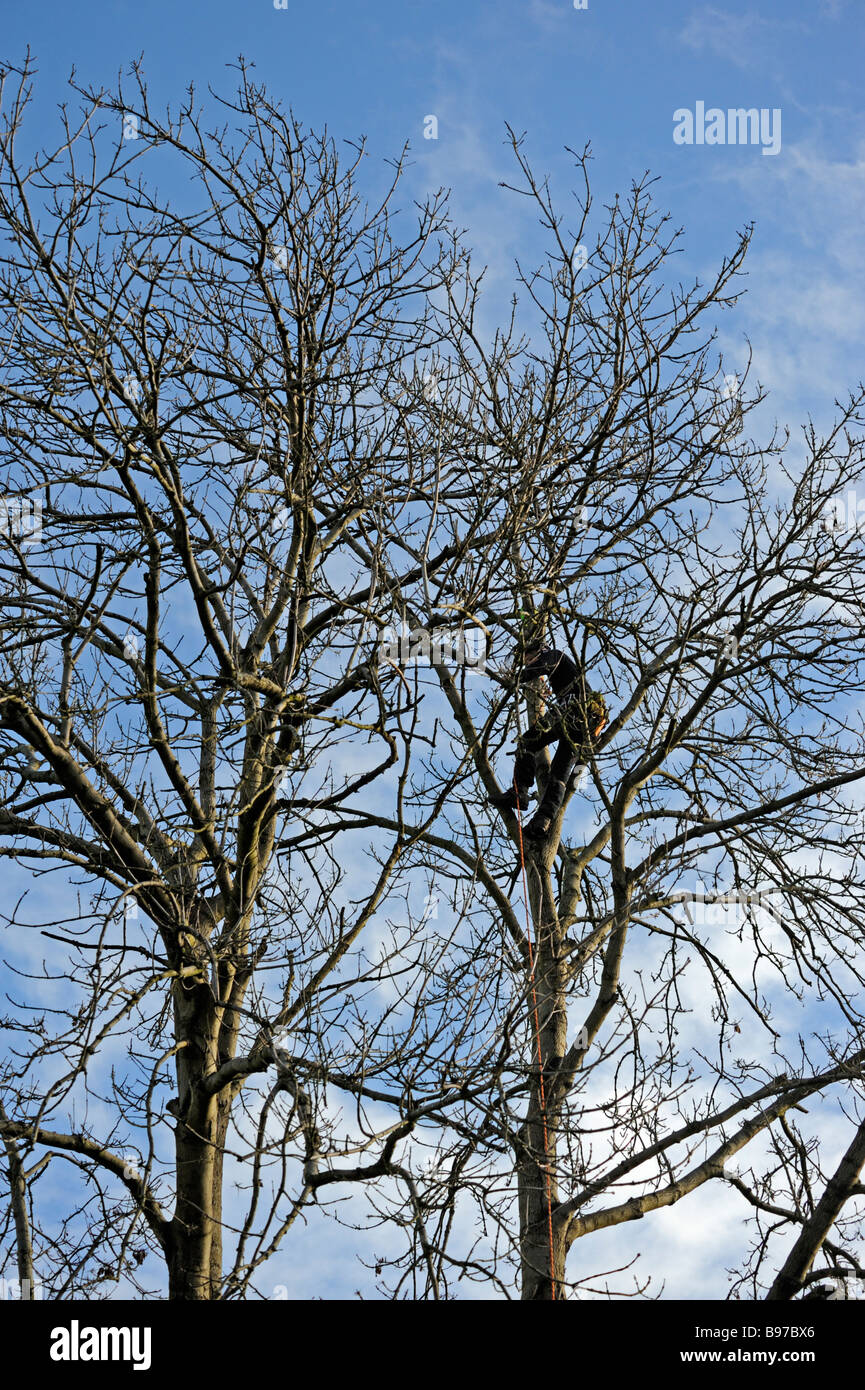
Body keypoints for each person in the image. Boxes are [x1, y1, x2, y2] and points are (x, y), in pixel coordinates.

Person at [491, 637, 607, 840]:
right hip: (585, 724)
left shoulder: (553, 655)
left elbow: (542, 666)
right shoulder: (564, 672)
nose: (527, 662)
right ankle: (542, 822)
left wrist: (516, 678)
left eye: (528, 658)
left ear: (539, 650)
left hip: (574, 710)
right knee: (559, 775)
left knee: (527, 742)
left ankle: (520, 792)